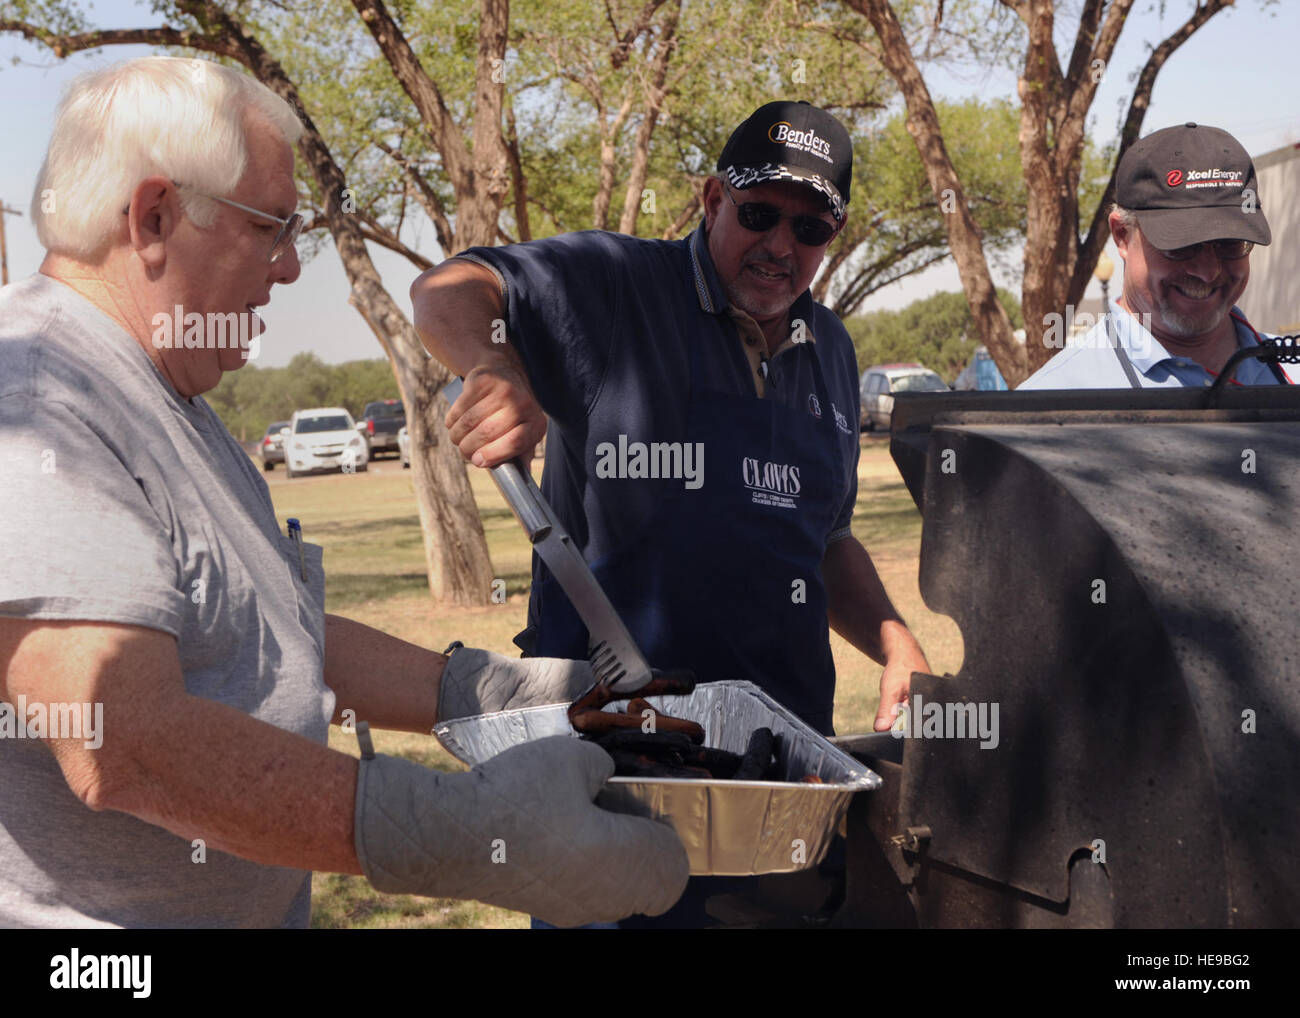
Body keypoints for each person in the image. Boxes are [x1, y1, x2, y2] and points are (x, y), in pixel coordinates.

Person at [0, 56, 688, 929]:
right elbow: (123, 742)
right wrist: (453, 829)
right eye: (272, 227)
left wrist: (482, 692)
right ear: (154, 215)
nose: (289, 269)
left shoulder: (167, 395)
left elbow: (262, 633)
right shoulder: (34, 400)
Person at [411, 101, 932, 924]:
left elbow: (824, 538)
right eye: (760, 214)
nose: (781, 246)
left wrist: (896, 641)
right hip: (612, 778)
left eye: (811, 229)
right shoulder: (614, 285)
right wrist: (492, 364)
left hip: (777, 791)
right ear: (712, 200)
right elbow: (446, 288)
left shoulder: (831, 350)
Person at [1021, 123, 1290, 389]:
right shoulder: (1056, 401)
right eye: (1181, 244)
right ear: (1122, 234)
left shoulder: (1292, 372)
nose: (1208, 271)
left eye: (1229, 243)